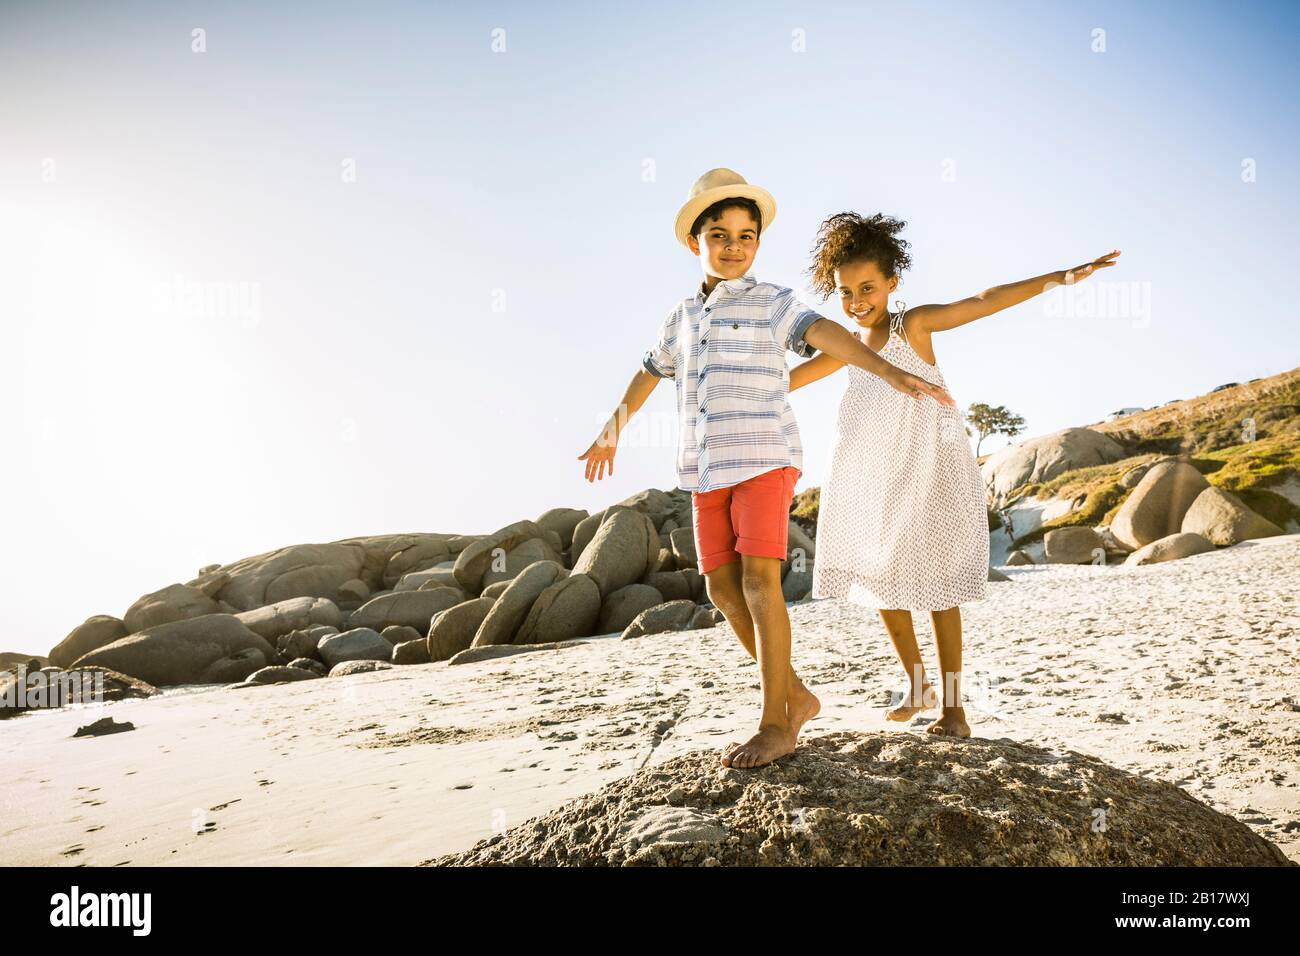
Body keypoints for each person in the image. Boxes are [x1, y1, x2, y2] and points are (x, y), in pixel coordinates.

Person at [579, 171, 952, 767]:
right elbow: (650, 371)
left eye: (746, 236)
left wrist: (886, 370)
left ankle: (776, 722)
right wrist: (612, 429)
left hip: (764, 457)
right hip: (704, 467)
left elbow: (825, 332)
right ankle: (796, 695)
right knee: (721, 589)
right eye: (720, 234)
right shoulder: (680, 317)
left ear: (758, 243)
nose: (734, 246)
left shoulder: (771, 301)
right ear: (694, 241)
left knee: (759, 583)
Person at [791, 210, 1120, 736]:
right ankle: (917, 683)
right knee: (879, 579)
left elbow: (985, 300)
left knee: (940, 591)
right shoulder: (847, 346)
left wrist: (1061, 277)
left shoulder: (913, 325)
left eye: (867, 288)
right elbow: (788, 382)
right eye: (845, 292)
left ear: (892, 282)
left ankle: (953, 711)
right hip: (874, 481)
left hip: (930, 474)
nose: (856, 302)